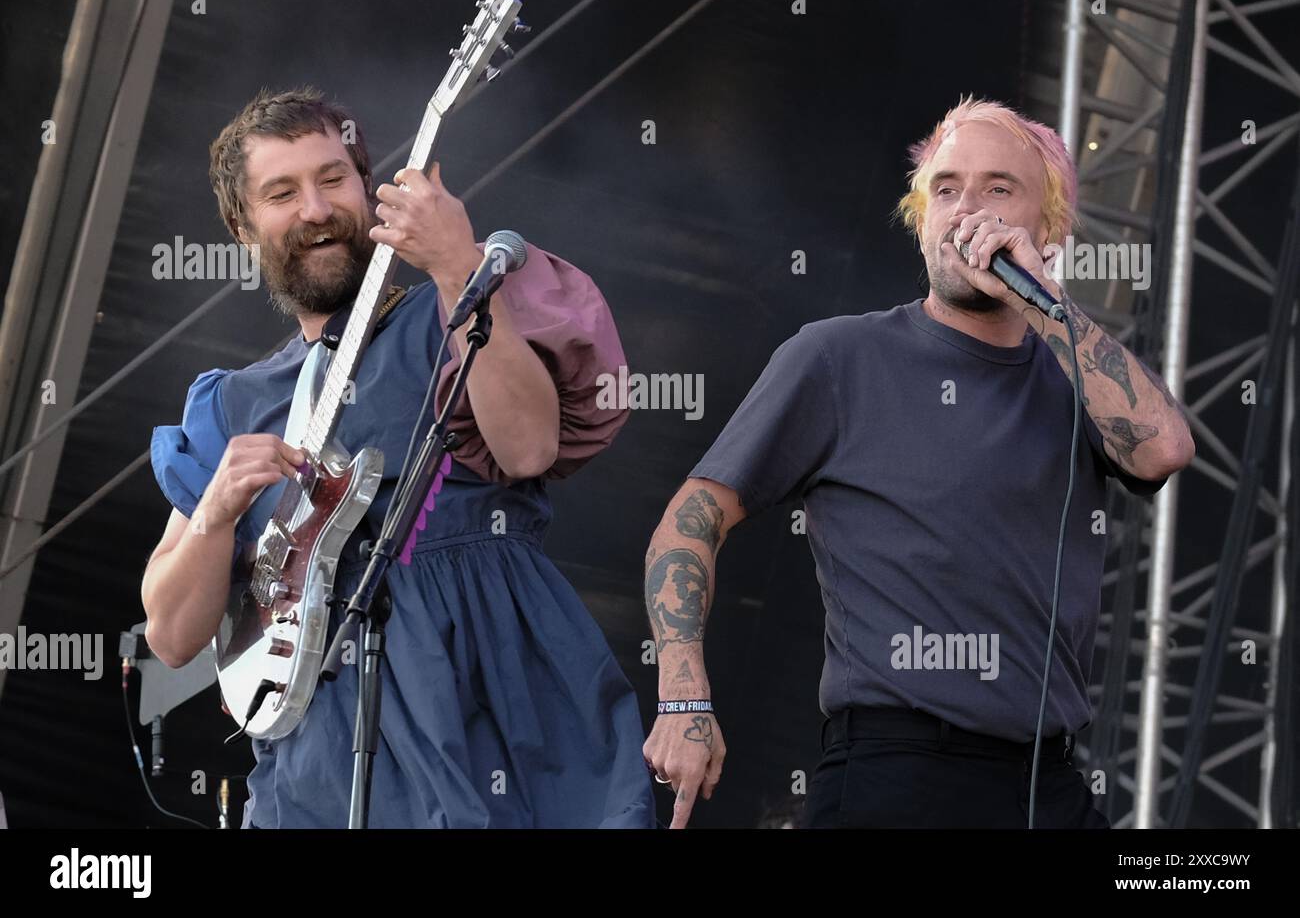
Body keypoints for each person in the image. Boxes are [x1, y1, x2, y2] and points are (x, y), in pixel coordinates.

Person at [641, 96, 1195, 828]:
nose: (968, 209)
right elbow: (689, 523)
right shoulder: (838, 357)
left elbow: (1162, 449)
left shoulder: (1076, 372)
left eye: (999, 189)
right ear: (920, 218)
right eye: (945, 188)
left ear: (1051, 228)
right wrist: (683, 699)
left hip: (1047, 782)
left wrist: (1047, 305)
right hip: (897, 774)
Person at [142, 86, 654, 828]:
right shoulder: (233, 405)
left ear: (370, 189)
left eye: (333, 179)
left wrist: (457, 267)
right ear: (241, 225)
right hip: (320, 774)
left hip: (494, 730)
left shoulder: (454, 312)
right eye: (282, 192)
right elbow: (171, 634)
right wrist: (215, 514)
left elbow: (531, 445)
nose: (316, 210)